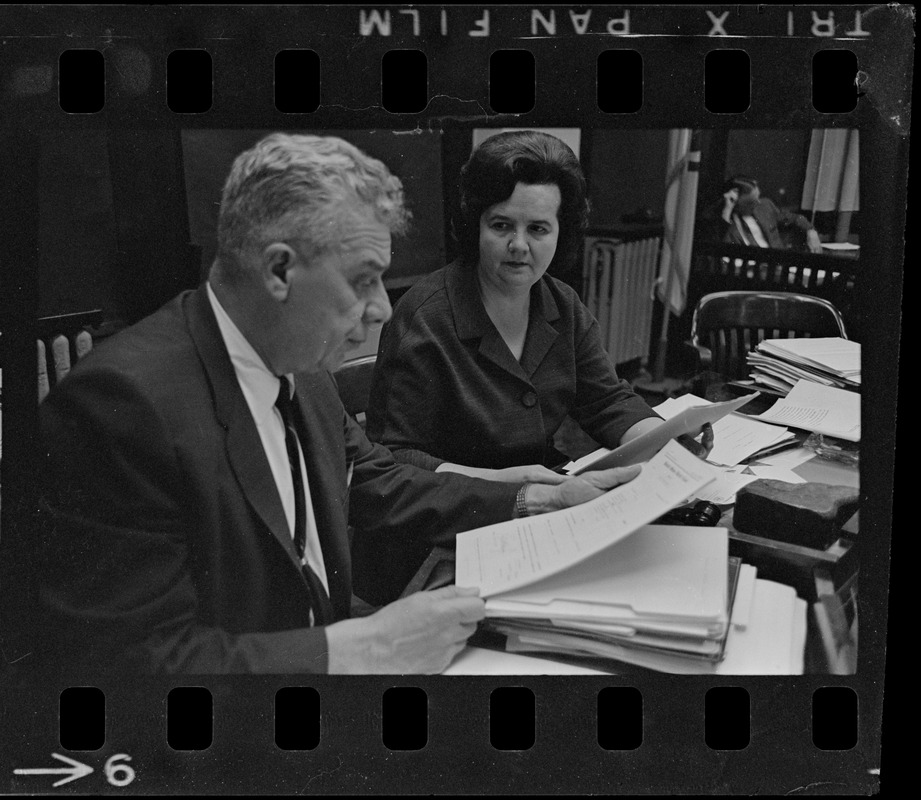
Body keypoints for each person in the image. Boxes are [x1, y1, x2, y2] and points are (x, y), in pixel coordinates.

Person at [32, 133, 641, 676]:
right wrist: (363, 650)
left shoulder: (301, 364)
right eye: (363, 278)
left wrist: (536, 497)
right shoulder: (120, 405)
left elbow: (375, 479)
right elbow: (122, 664)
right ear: (279, 271)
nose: (381, 308)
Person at [366, 130, 707, 485]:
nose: (518, 245)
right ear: (475, 226)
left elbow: (606, 401)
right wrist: (504, 483)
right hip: (451, 513)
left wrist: (666, 440)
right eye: (501, 225)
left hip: (545, 495)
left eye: (538, 229)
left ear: (562, 234)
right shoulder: (424, 317)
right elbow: (395, 457)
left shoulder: (563, 304)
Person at [718, 175, 823, 253]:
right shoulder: (729, 224)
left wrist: (811, 231)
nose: (758, 202)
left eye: (758, 197)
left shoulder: (765, 205)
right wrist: (727, 210)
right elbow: (722, 250)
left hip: (782, 264)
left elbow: (795, 218)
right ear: (736, 202)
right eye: (752, 201)